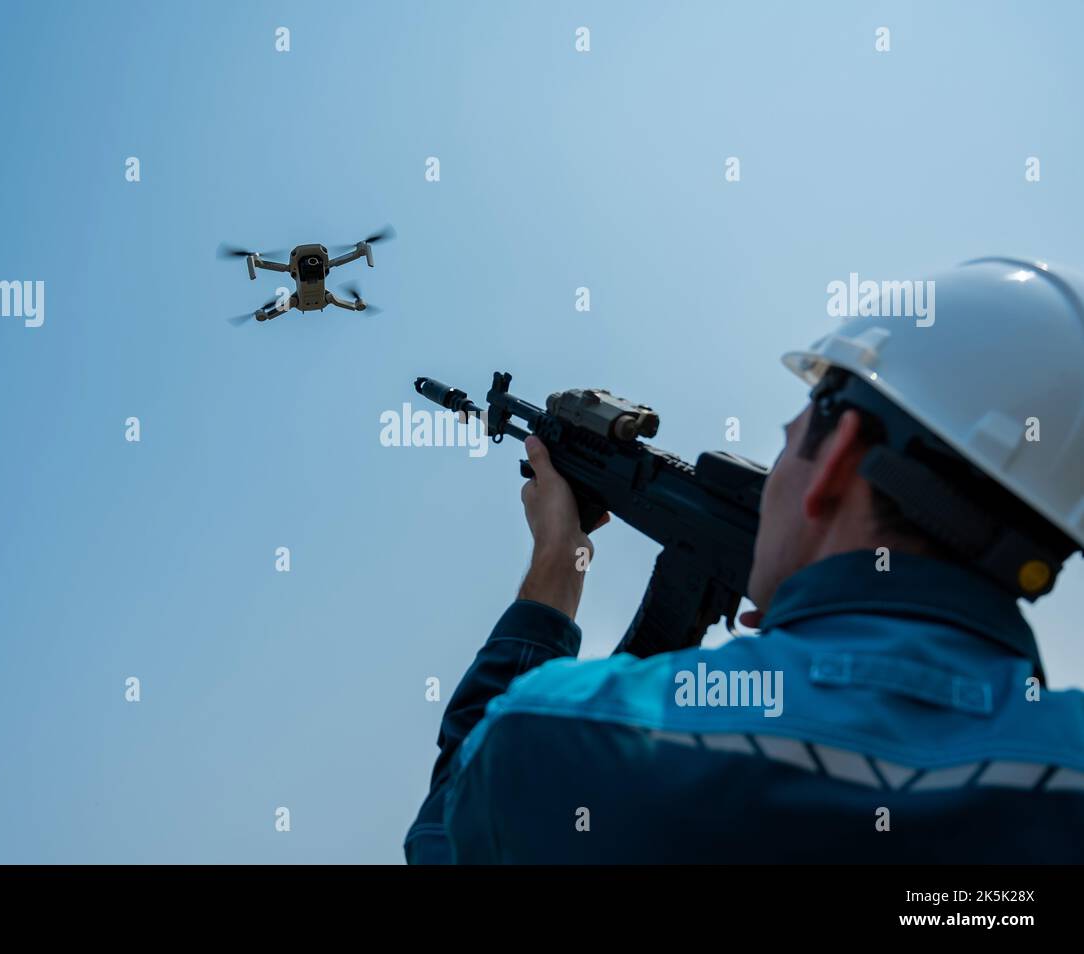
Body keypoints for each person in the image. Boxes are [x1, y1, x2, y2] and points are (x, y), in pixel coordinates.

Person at [405, 257, 1084, 863]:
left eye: (794, 429)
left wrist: (558, 561)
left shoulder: (557, 735)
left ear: (839, 454)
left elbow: (447, 833)